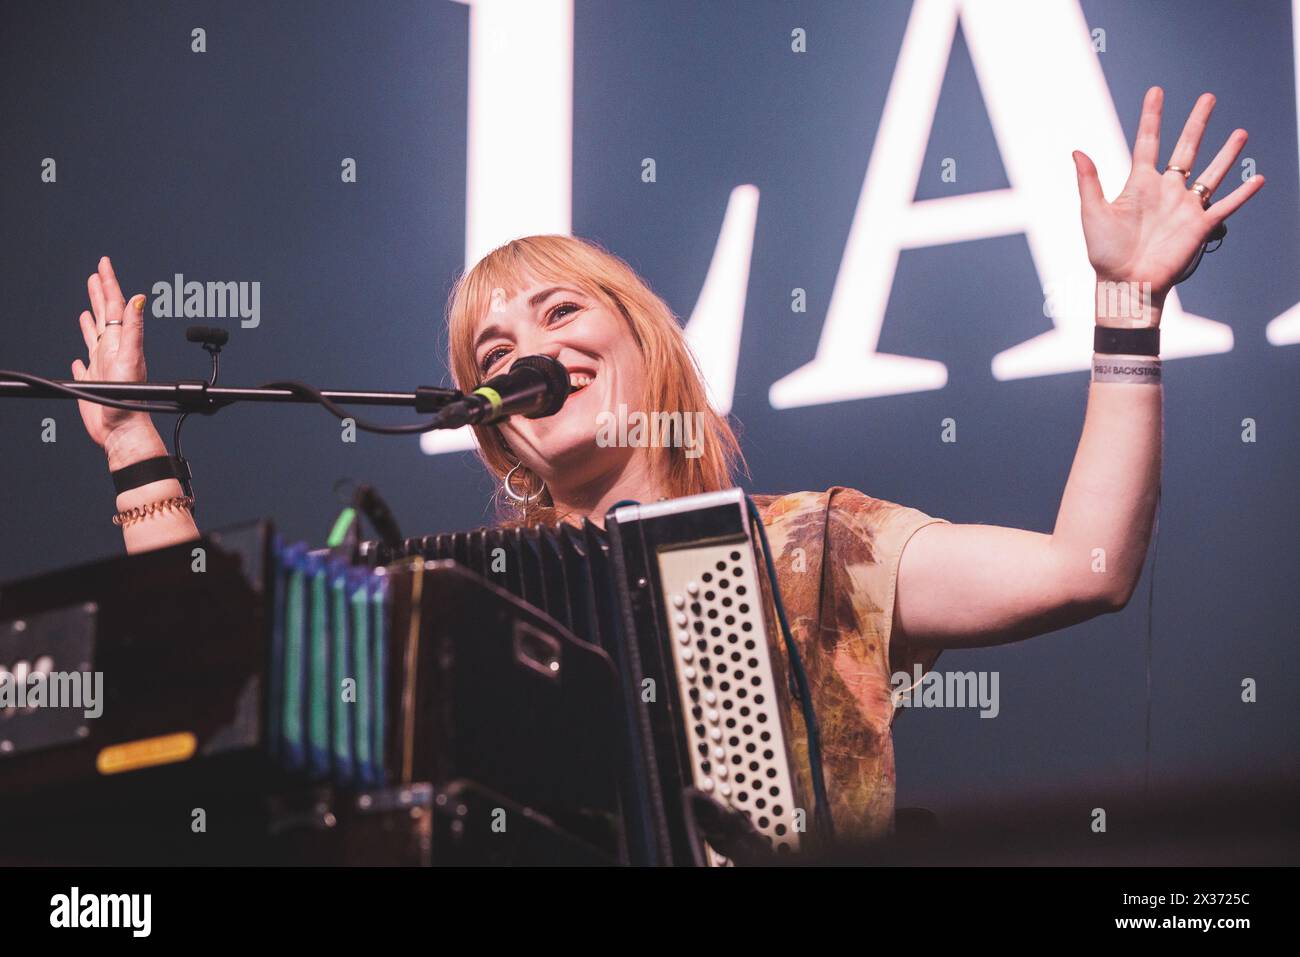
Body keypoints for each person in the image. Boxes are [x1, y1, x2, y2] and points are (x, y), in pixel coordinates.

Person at [70, 87, 1264, 841]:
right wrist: (135, 453)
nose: (527, 349)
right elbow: (222, 682)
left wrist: (1123, 307)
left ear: (642, 341)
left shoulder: (813, 546)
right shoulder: (445, 609)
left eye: (557, 316)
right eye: (495, 348)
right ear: (493, 422)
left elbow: (1082, 569)